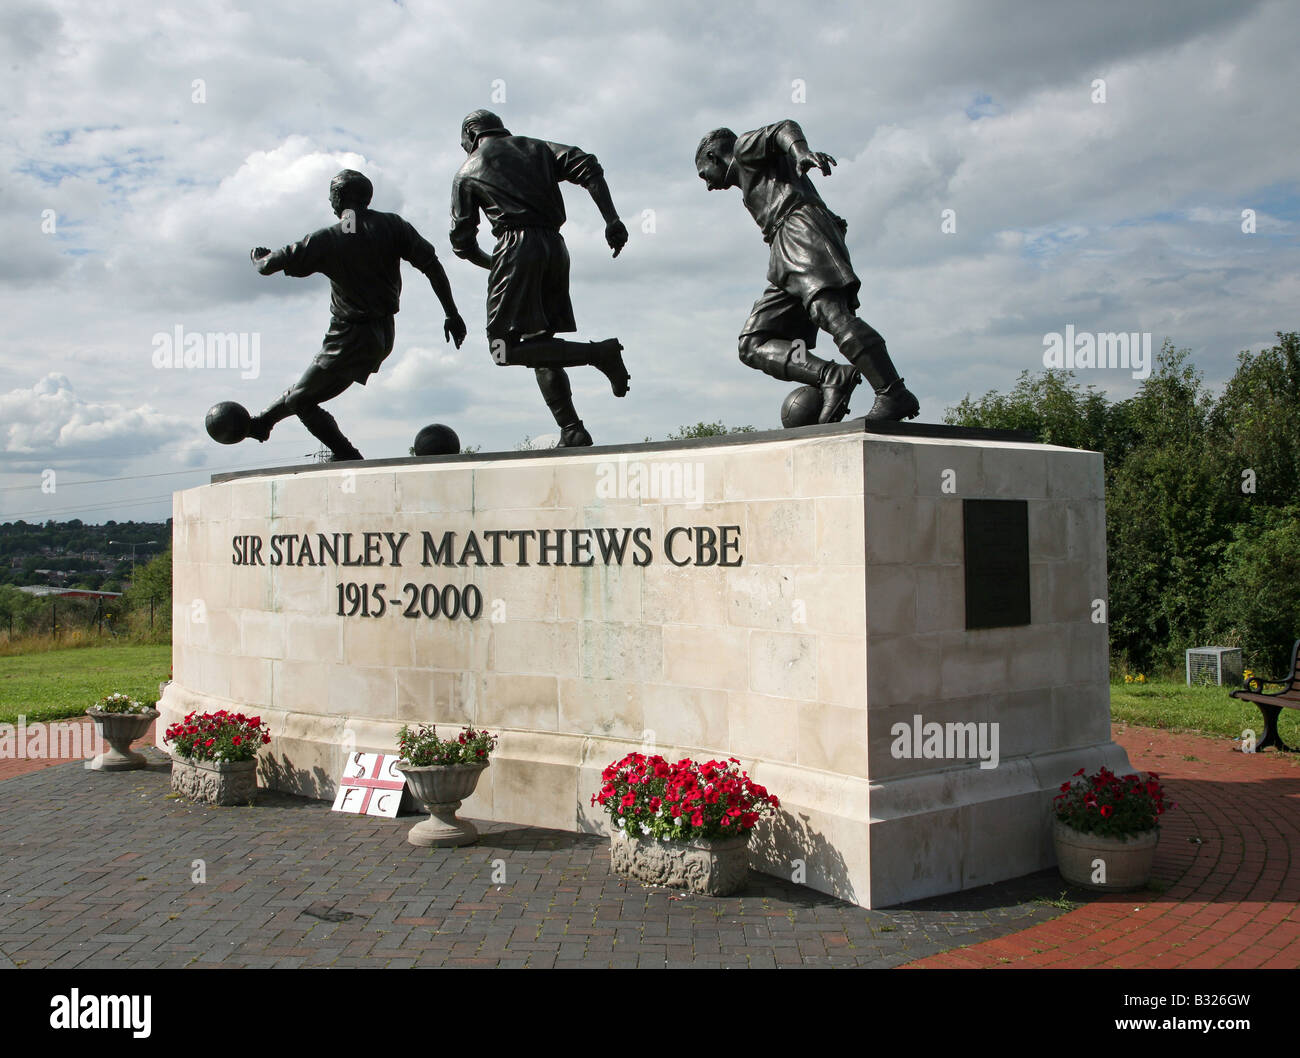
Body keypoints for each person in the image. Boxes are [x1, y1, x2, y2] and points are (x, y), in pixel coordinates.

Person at [696, 120, 919, 424]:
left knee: (831, 314)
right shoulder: (749, 179)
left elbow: (781, 129)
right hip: (782, 249)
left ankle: (893, 392)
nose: (707, 184)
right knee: (752, 342)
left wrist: (800, 152)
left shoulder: (743, 149)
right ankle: (831, 376)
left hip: (800, 229)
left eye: (703, 174)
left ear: (712, 157)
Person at [246, 168, 467, 461]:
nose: (329, 201)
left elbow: (269, 265)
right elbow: (432, 265)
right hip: (382, 333)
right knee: (307, 390)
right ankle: (264, 422)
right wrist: (451, 313)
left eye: (331, 195)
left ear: (338, 197)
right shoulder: (393, 225)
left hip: (351, 335)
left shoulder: (327, 238)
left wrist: (258, 258)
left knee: (302, 399)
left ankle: (347, 456)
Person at [450, 109, 629, 447]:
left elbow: (462, 242)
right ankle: (571, 428)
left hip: (515, 247)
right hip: (555, 247)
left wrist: (498, 266)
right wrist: (612, 219)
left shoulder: (467, 171)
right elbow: (588, 165)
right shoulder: (538, 147)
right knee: (538, 344)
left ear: (469, 137)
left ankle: (600, 354)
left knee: (503, 349)